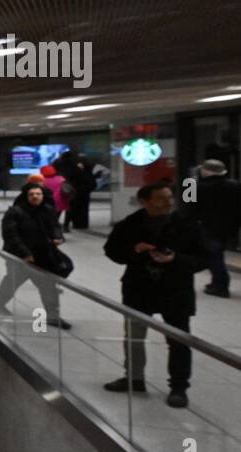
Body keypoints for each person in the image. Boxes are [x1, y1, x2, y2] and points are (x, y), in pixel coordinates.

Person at [103, 180, 209, 407]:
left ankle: (179, 387)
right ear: (145, 201)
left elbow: (204, 258)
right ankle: (134, 378)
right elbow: (111, 251)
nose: (168, 203)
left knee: (179, 340)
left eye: (170, 198)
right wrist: (134, 250)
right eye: (161, 198)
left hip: (175, 290)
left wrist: (176, 259)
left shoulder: (188, 225)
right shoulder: (129, 225)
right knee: (134, 337)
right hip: (138, 288)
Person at [0, 182, 72, 330]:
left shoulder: (47, 210)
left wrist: (58, 237)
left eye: (38, 194)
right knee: (13, 282)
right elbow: (11, 235)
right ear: (25, 196)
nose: (35, 197)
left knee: (48, 286)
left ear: (43, 196)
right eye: (32, 194)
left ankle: (53, 316)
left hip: (42, 256)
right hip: (20, 258)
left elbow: (55, 227)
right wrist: (25, 254)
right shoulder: (15, 212)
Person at [187, 159, 240, 297]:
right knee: (217, 254)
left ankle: (220, 286)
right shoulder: (235, 185)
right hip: (229, 227)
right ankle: (216, 282)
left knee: (214, 256)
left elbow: (187, 207)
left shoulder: (193, 185)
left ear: (204, 171)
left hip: (206, 227)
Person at [40, 163, 71, 231]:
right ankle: (56, 228)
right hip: (60, 201)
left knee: (48, 216)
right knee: (56, 215)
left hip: (47, 201)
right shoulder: (61, 179)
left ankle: (51, 229)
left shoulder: (42, 180)